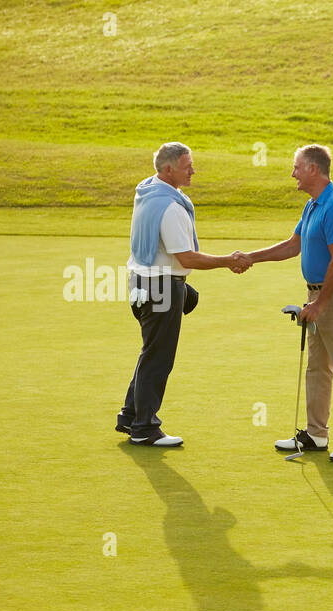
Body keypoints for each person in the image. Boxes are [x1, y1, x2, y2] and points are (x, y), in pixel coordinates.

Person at [118, 142, 251, 446]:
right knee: (158, 358)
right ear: (168, 169)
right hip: (161, 287)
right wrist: (229, 261)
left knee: (151, 351)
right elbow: (187, 258)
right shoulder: (170, 207)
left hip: (142, 284)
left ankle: (131, 415)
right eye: (187, 165)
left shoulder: (148, 190)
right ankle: (144, 429)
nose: (193, 170)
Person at [246, 144, 333, 462]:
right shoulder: (313, 205)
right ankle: (316, 434)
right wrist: (250, 258)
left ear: (313, 169)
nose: (293, 173)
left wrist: (321, 304)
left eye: (296, 167)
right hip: (319, 294)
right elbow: (292, 246)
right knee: (317, 368)